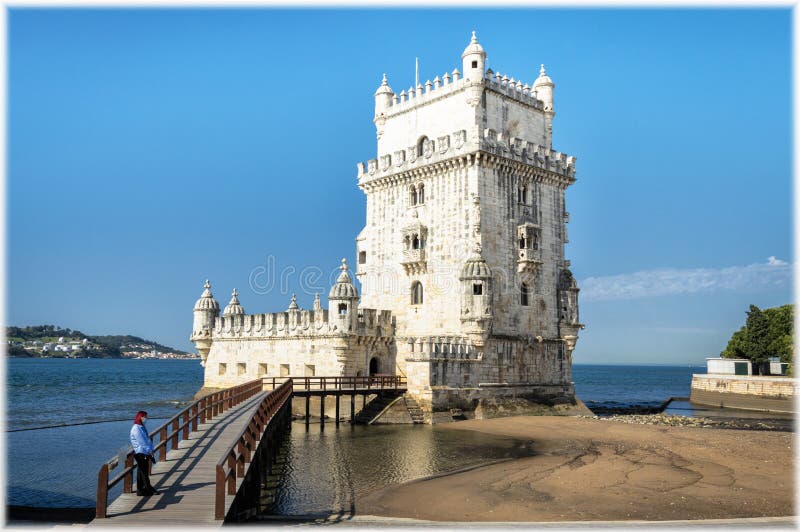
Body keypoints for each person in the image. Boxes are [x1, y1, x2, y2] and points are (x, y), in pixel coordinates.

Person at [130, 411, 159, 496]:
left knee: (141, 472)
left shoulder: (141, 426)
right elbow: (142, 442)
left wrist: (151, 449)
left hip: (144, 452)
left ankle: (140, 490)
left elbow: (147, 440)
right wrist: (150, 451)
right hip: (140, 453)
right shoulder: (136, 428)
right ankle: (147, 488)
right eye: (145, 417)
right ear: (140, 417)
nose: (146, 418)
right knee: (144, 472)